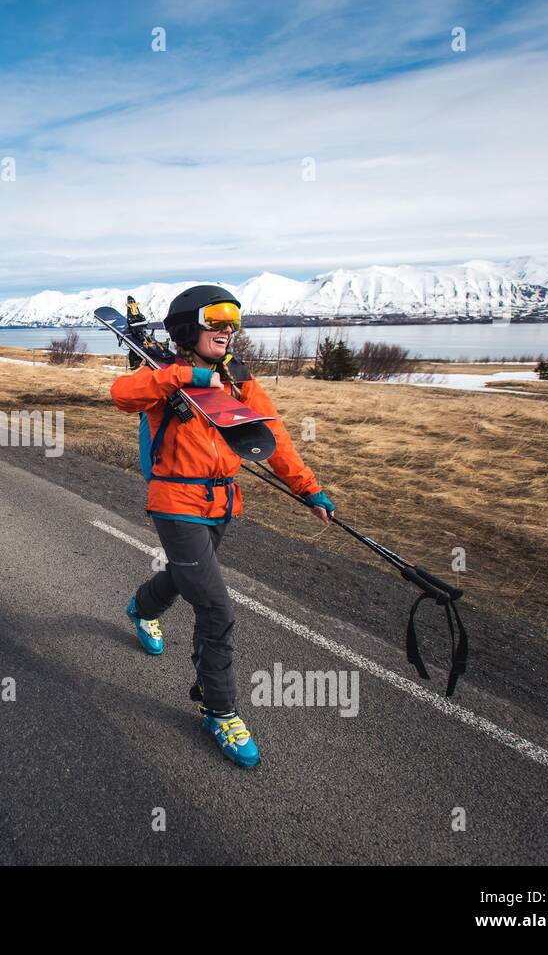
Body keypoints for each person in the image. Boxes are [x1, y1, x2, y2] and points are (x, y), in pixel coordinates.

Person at [110, 285, 335, 768]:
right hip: (175, 501)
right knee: (216, 608)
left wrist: (307, 488)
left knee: (185, 576)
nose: (227, 329)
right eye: (216, 320)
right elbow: (121, 396)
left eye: (233, 320)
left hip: (221, 503)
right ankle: (219, 708)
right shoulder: (165, 378)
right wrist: (180, 377)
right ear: (190, 327)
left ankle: (140, 607)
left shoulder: (238, 380)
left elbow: (273, 438)